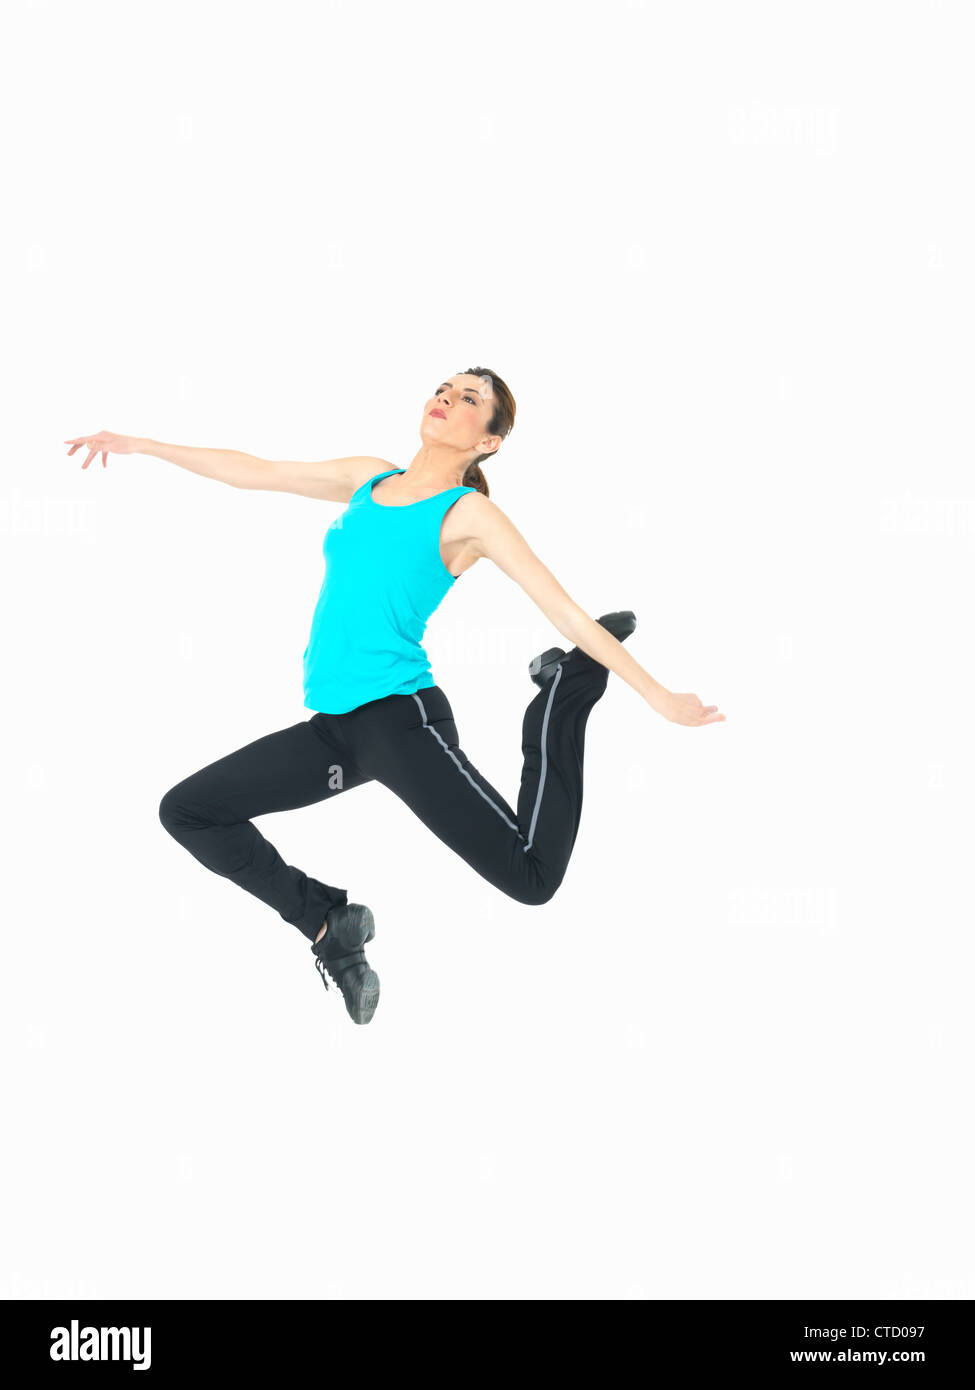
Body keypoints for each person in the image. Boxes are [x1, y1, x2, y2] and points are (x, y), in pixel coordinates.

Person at [65, 366, 725, 1027]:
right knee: (188, 811)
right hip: (334, 731)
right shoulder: (368, 479)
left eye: (470, 399)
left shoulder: (469, 513)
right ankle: (327, 925)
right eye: (445, 387)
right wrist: (144, 445)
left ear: (488, 442)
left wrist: (659, 697)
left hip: (400, 723)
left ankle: (563, 693)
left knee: (532, 878)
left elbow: (565, 611)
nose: (446, 398)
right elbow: (253, 469)